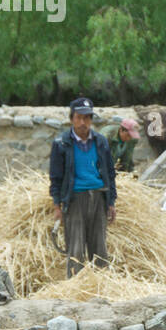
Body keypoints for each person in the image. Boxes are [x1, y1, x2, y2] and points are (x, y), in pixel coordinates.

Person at [49, 97, 117, 277]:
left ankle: (101, 284)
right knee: (76, 248)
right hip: (74, 199)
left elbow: (110, 173)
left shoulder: (100, 142)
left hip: (98, 196)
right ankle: (76, 288)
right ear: (72, 118)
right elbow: (55, 177)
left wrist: (111, 202)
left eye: (87, 118)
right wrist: (57, 206)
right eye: (78, 117)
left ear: (91, 120)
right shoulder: (62, 143)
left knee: (100, 247)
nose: (82, 122)